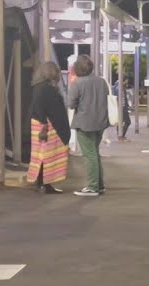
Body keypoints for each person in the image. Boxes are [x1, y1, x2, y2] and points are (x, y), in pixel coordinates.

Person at [67, 54, 110, 197]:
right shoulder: (101, 81)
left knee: (89, 155)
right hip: (100, 122)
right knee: (95, 153)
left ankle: (92, 187)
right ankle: (99, 185)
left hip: (84, 123)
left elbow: (71, 104)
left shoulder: (77, 83)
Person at [26, 60, 71, 194]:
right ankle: (46, 184)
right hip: (48, 127)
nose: (58, 74)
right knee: (48, 156)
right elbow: (47, 109)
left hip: (40, 125)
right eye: (57, 71)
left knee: (40, 155)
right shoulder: (46, 89)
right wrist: (45, 125)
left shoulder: (37, 87)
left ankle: (40, 183)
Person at [114, 77, 133, 141]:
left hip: (120, 107)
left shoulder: (117, 86)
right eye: (126, 81)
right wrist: (126, 106)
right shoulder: (120, 88)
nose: (127, 83)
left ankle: (119, 135)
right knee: (127, 122)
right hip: (122, 107)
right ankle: (121, 135)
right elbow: (123, 99)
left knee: (120, 121)